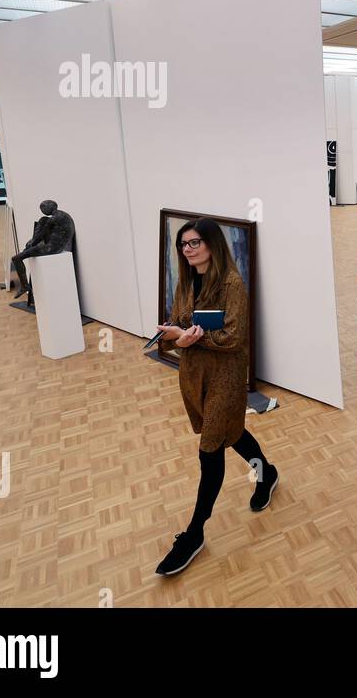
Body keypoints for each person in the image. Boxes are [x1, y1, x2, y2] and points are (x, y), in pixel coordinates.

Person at [155, 218, 279, 576]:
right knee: (232, 433)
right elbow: (177, 320)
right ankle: (266, 473)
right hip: (194, 374)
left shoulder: (232, 284)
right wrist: (175, 336)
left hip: (224, 376)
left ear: (212, 244)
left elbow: (234, 336)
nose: (188, 249)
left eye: (194, 242)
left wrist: (193, 338)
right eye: (183, 244)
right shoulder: (186, 279)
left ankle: (194, 534)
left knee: (210, 448)